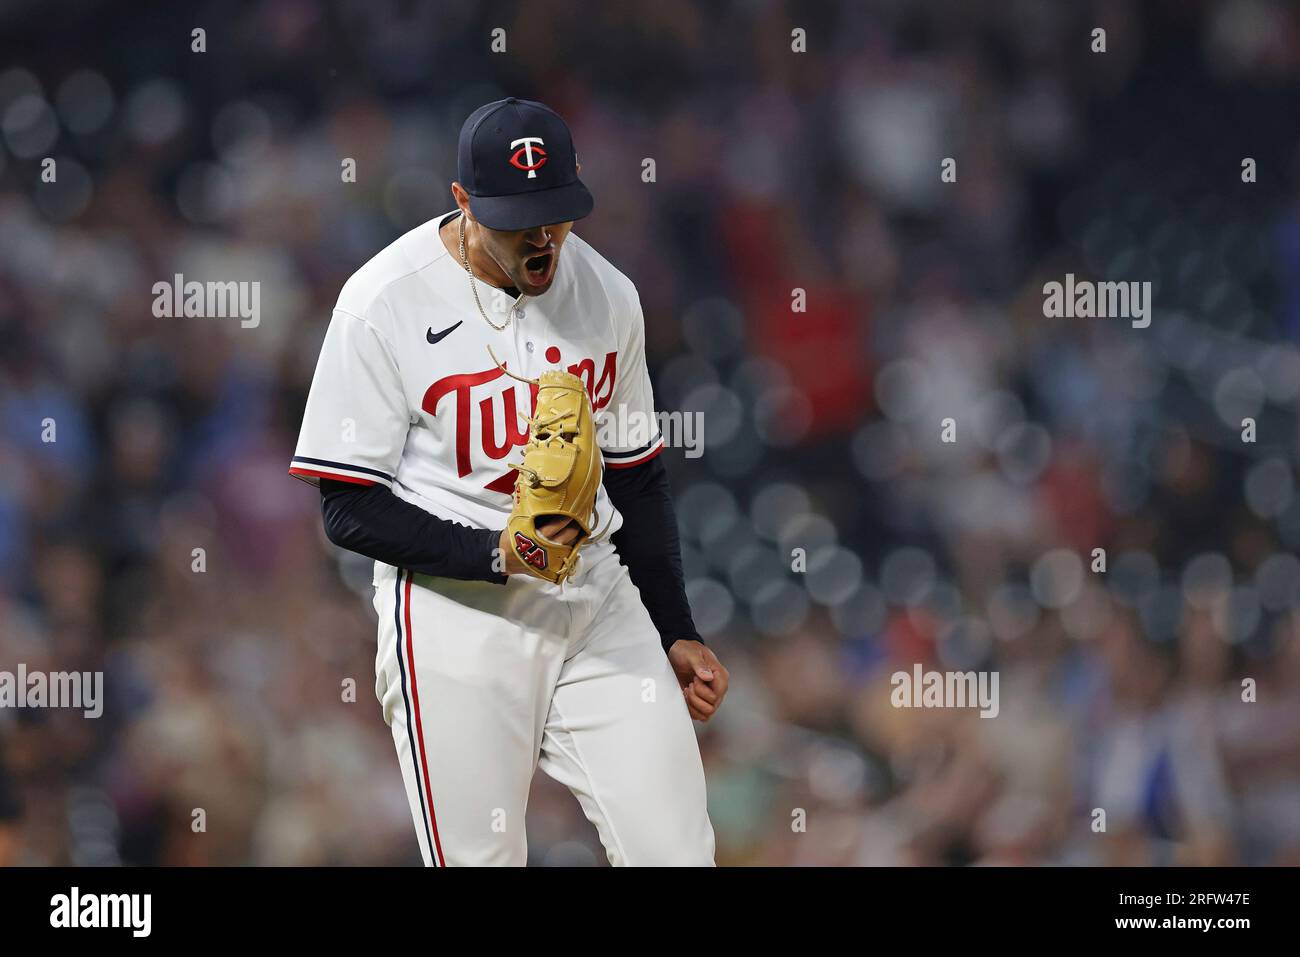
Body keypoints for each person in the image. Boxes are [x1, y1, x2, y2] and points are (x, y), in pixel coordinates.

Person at [290, 97, 727, 866]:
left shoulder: (608, 295)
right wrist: (500, 552)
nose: (542, 233)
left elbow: (638, 480)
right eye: (517, 215)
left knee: (677, 853)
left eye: (555, 211)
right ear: (462, 202)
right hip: (454, 613)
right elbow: (347, 508)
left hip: (595, 597)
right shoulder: (381, 301)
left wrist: (675, 626)